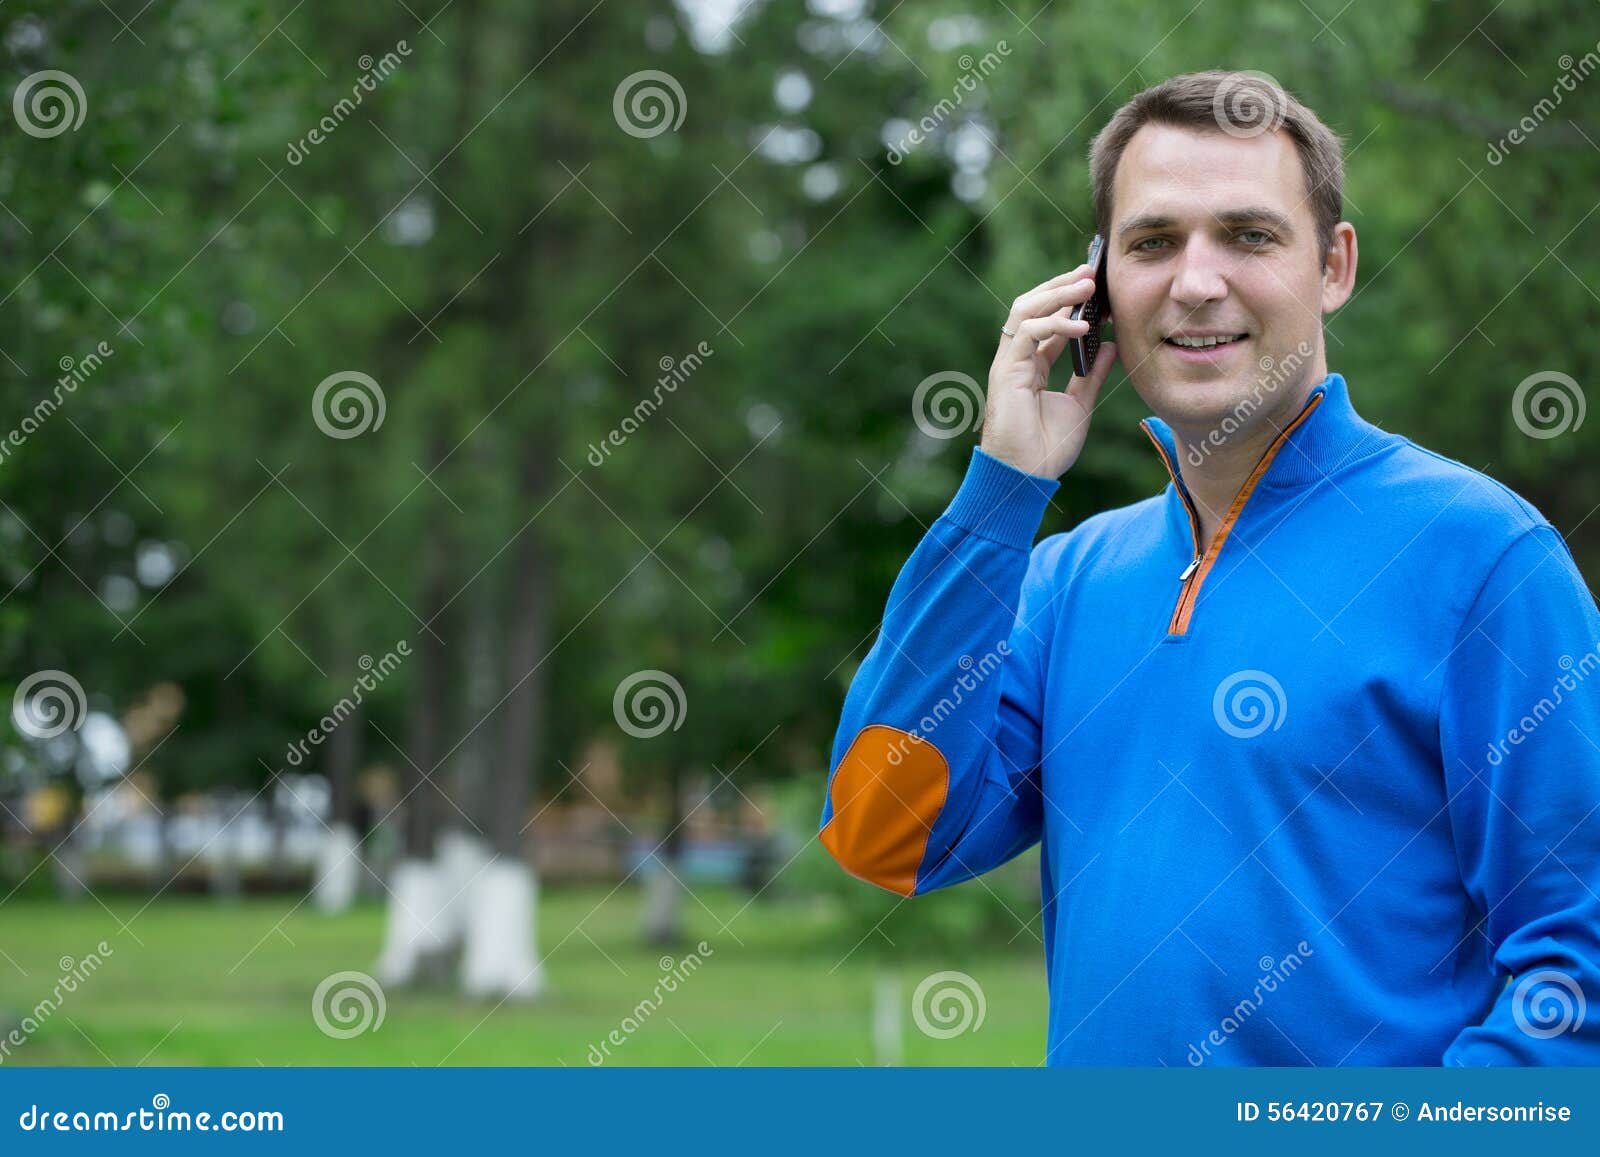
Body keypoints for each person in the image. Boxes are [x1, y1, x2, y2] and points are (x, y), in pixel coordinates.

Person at [819, 70, 1600, 1065]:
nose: (1194, 281)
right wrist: (999, 491)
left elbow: (1576, 973)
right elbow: (883, 834)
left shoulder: (1483, 559)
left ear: (1332, 265)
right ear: (1095, 287)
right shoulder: (1068, 578)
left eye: (1248, 234)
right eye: (1152, 242)